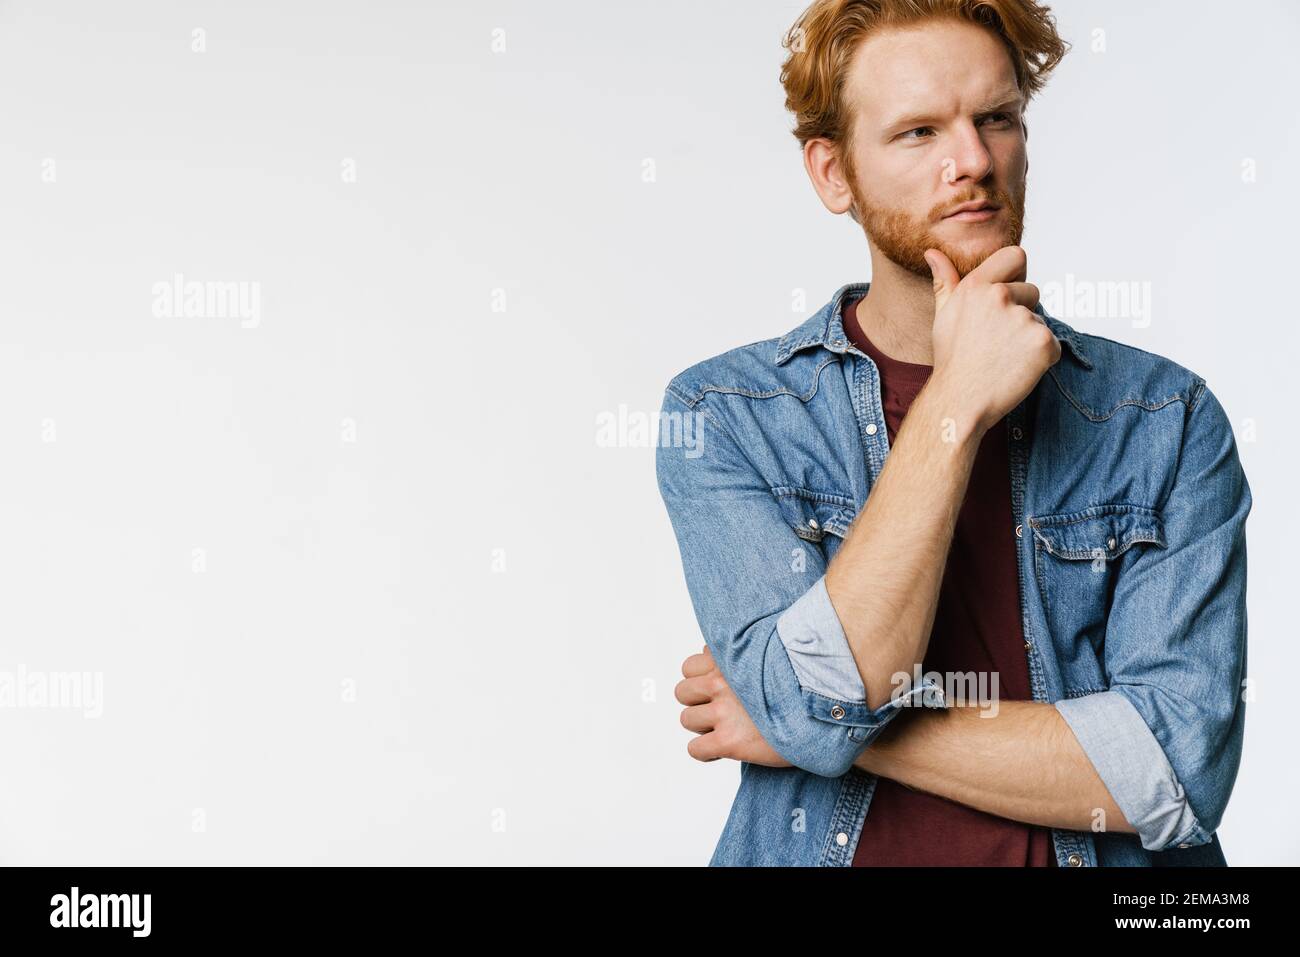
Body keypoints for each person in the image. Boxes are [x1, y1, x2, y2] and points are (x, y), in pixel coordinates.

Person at [654, 0, 1251, 866]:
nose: (973, 161)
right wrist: (953, 404)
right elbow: (832, 687)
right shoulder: (726, 413)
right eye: (919, 132)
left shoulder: (1162, 418)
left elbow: (1172, 772)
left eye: (997, 118)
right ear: (833, 173)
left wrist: (810, 724)